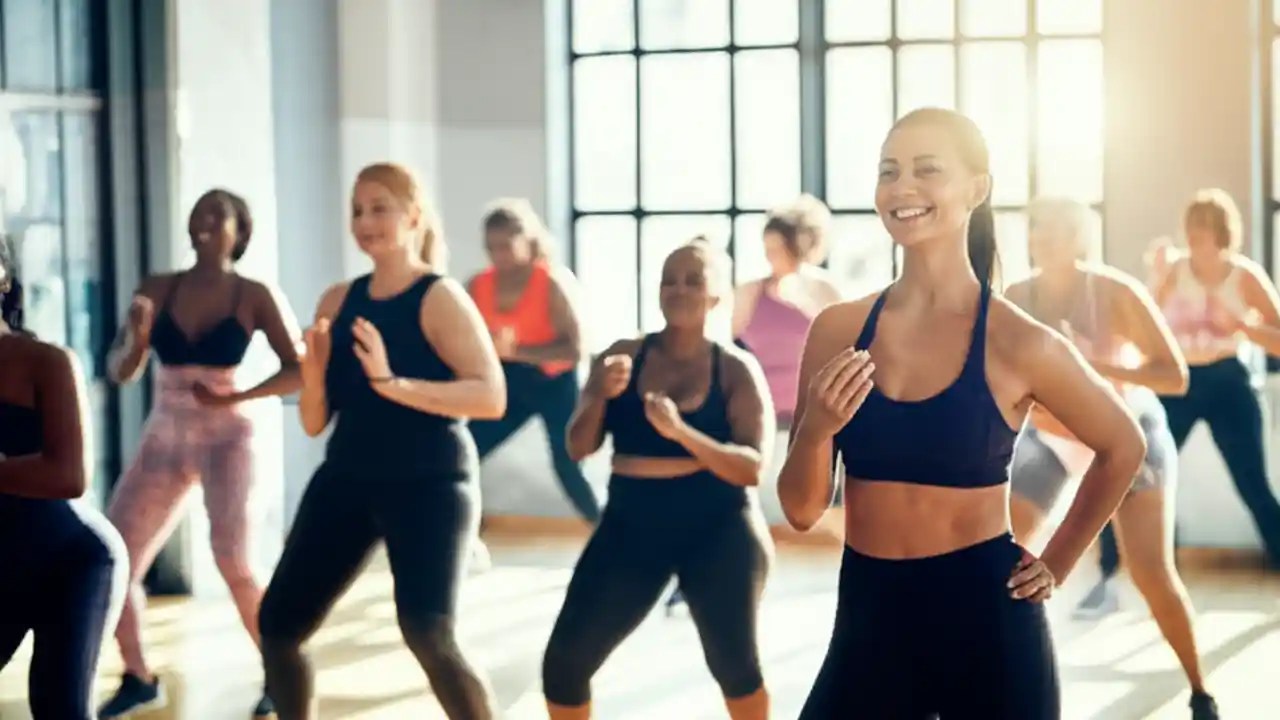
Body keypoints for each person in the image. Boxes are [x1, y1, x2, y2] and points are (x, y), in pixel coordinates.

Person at [779, 107, 1146, 719]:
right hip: (868, 619)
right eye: (889, 171)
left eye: (927, 170)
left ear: (976, 189)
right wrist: (817, 426)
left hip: (987, 624)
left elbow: (1122, 446)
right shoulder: (838, 329)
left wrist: (1056, 563)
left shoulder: (1017, 341)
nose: (903, 188)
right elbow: (800, 510)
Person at [258, 162, 503, 720]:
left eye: (379, 207)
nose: (365, 221)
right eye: (357, 210)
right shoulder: (337, 301)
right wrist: (316, 377)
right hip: (348, 477)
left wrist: (392, 383)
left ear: (413, 216)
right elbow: (315, 422)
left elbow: (490, 397)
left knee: (429, 632)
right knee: (278, 626)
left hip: (431, 484)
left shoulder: (440, 298)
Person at [541, 238, 775, 720]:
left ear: (717, 296)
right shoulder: (621, 357)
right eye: (669, 279)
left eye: (694, 280)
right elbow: (578, 447)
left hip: (719, 528)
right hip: (631, 524)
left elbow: (751, 467)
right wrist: (599, 396)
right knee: (564, 664)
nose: (678, 289)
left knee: (734, 665)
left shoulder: (735, 369)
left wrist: (681, 432)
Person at [1005, 196, 1218, 719]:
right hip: (1051, 439)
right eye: (1037, 229)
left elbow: (1175, 375)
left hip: (1123, 434)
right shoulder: (1014, 297)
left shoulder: (1116, 291)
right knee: (1001, 563)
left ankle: (1200, 690)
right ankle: (995, 686)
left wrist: (1095, 368)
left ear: (1081, 237)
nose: (1043, 237)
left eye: (1056, 228)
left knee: (1151, 573)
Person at [98, 189, 303, 719]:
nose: (203, 222)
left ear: (240, 230)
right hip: (164, 436)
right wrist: (139, 340)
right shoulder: (157, 287)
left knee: (234, 559)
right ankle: (138, 676)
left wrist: (238, 396)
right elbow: (119, 371)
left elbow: (299, 369)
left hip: (227, 438)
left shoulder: (253, 293)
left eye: (217, 214)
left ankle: (279, 677)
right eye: (197, 213)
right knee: (115, 556)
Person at [0, 237, 127, 719]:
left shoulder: (47, 362)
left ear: (3, 276)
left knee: (60, 712)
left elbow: (68, 475)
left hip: (72, 561)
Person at [1153, 188, 1280, 568]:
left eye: (1203, 229)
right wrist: (1154, 276)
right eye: (1190, 228)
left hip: (1229, 382)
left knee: (1252, 483)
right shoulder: (1174, 271)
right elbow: (1145, 327)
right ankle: (1153, 563)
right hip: (1179, 381)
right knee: (1148, 472)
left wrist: (1241, 325)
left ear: (1222, 233)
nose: (1195, 237)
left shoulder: (1245, 276)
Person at [466, 199, 596, 553]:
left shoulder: (552, 283)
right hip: (511, 384)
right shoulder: (477, 286)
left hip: (555, 384)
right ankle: (463, 531)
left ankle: (606, 535)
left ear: (527, 241)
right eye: (491, 248)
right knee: (465, 449)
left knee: (568, 467)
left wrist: (517, 351)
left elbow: (576, 349)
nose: (498, 255)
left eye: (506, 246)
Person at [732, 193, 842, 427]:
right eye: (767, 249)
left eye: (778, 248)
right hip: (762, 417)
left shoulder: (825, 290)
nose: (771, 256)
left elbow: (846, 348)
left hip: (813, 417)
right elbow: (726, 351)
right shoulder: (750, 292)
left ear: (799, 246)